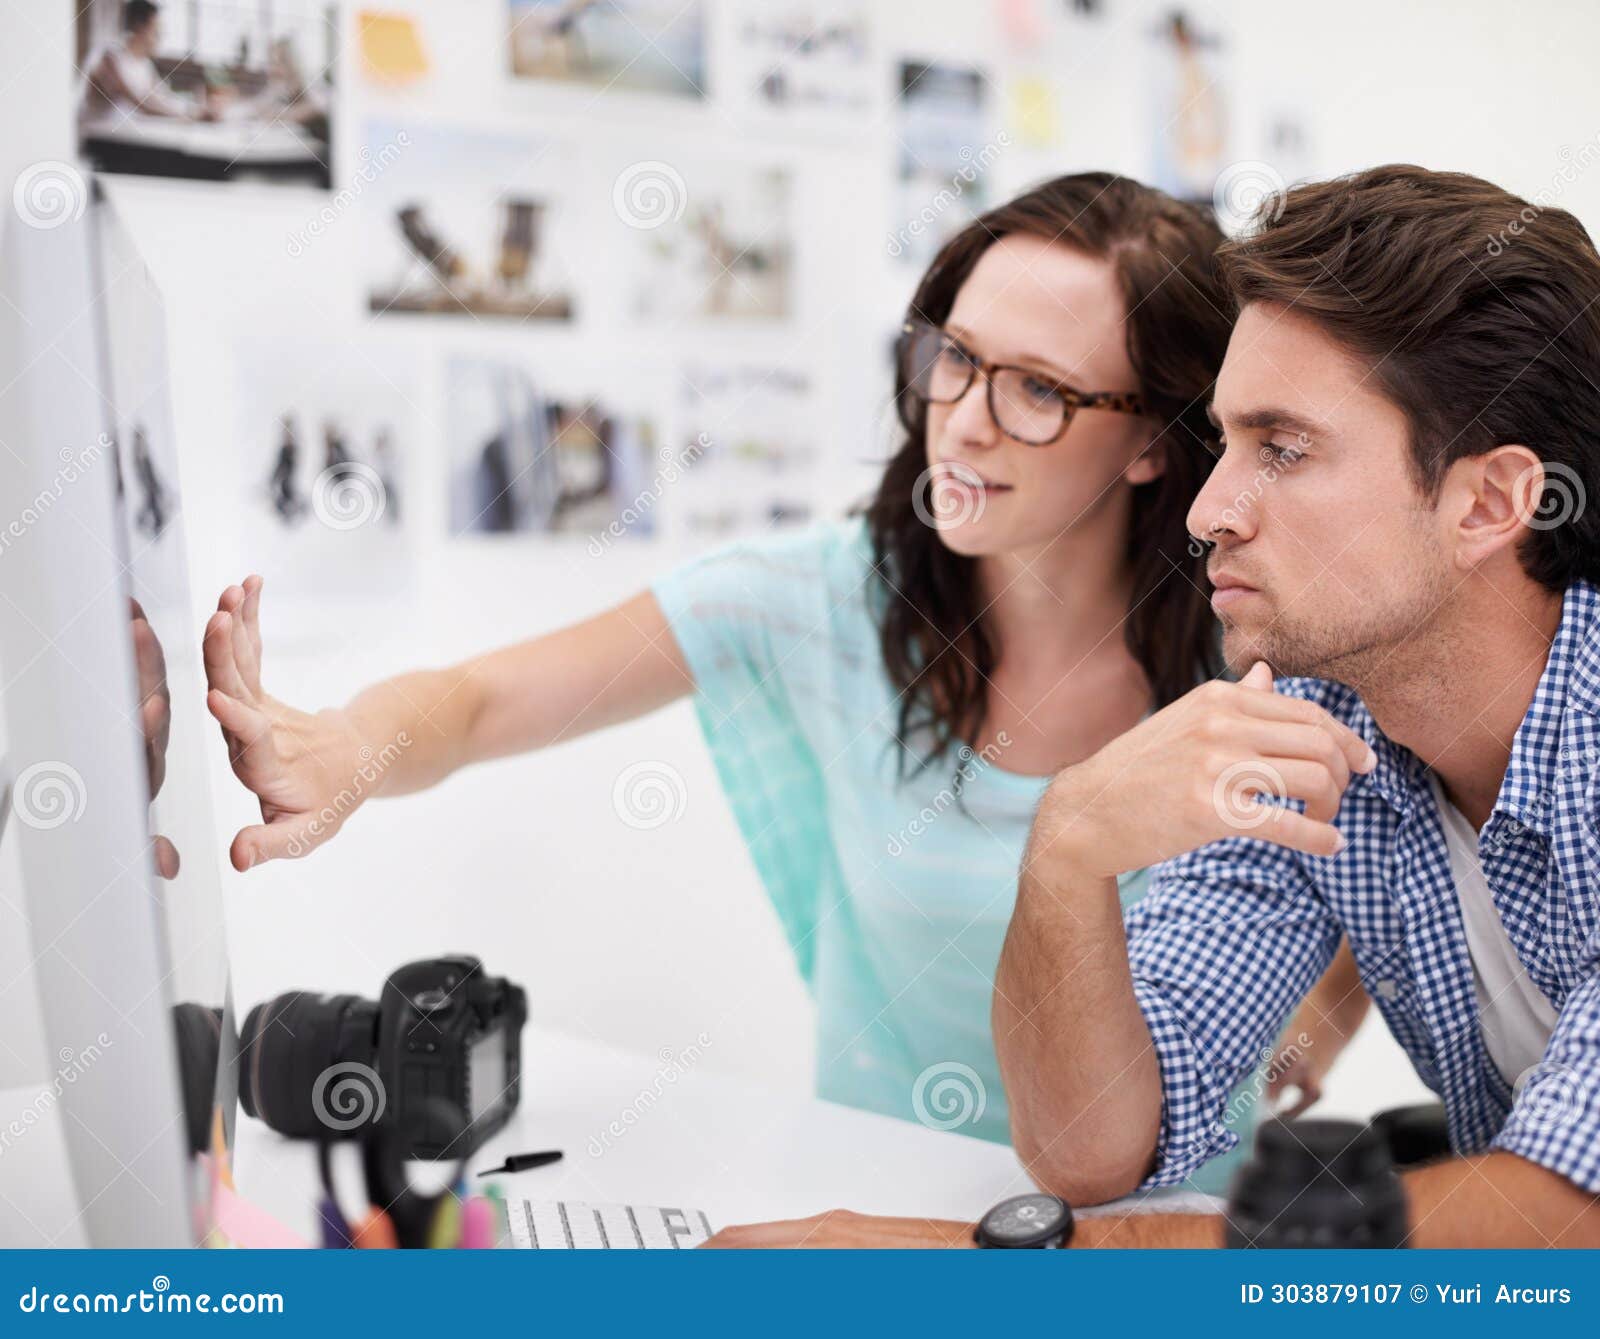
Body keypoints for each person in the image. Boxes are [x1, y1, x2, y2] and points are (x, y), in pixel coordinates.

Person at [202, 173, 1361, 1195]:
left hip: (1159, 1242)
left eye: (1039, 391)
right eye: (953, 359)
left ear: (1156, 440)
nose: (961, 423)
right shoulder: (815, 599)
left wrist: (1322, 1017)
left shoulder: (1257, 647)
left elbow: (1410, 834)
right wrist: (343, 745)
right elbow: (481, 699)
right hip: (872, 1219)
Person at [725, 164, 1600, 1248]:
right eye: (1225, 443)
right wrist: (1066, 848)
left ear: (1488, 502)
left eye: (1280, 449)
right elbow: (1094, 1146)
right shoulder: (1323, 714)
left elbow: (1565, 1215)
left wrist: (1011, 1267)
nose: (1205, 510)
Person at [81, 2, 200, 125]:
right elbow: (141, 104)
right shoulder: (109, 58)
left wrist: (195, 109)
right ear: (139, 27)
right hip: (94, 137)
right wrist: (192, 114)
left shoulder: (144, 64)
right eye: (156, 32)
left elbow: (162, 98)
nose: (160, 38)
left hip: (121, 136)